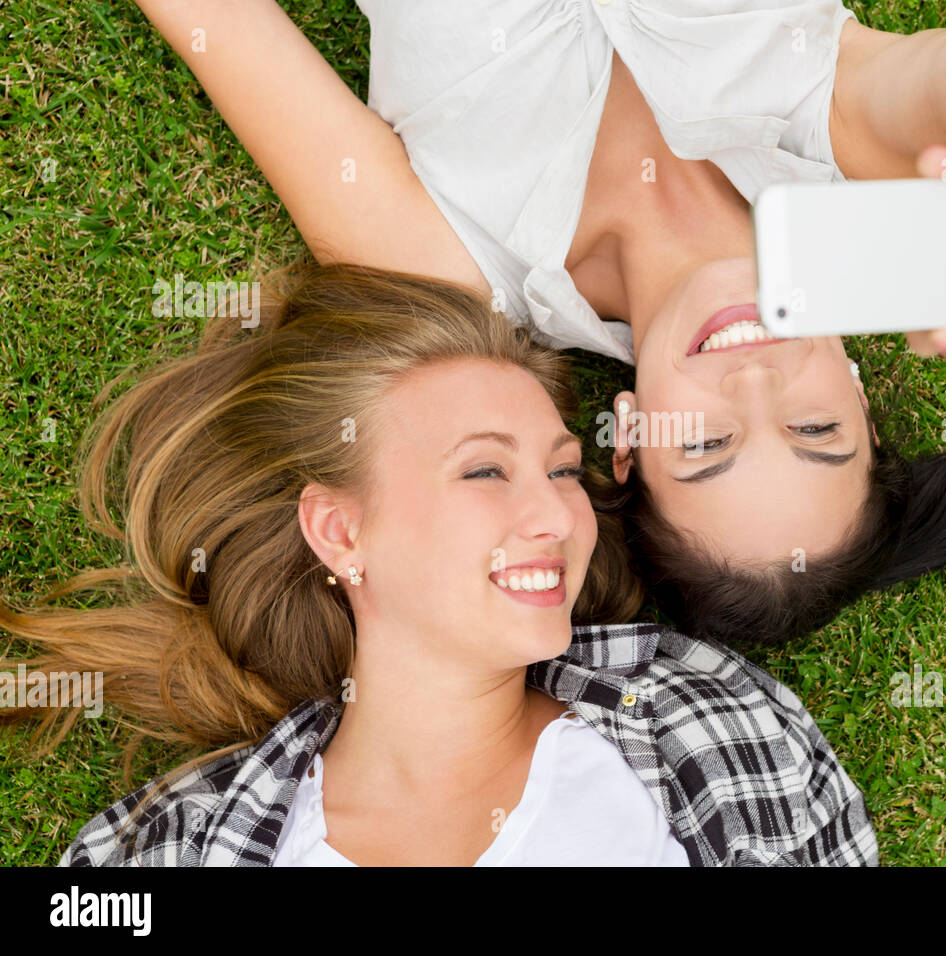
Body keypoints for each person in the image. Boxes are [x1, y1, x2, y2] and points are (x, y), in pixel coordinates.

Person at [124, 1, 946, 647]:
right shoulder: (845, 164)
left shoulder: (456, 271)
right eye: (815, 431)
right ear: (857, 389)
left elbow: (218, 23)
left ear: (621, 443)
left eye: (704, 448)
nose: (753, 387)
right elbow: (942, 73)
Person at [0, 262, 878, 866]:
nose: (557, 516)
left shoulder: (713, 723)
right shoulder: (171, 849)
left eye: (564, 470)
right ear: (342, 533)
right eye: (486, 469)